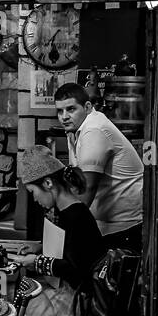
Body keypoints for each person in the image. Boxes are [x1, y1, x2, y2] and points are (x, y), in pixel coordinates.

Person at [6, 147, 106, 316]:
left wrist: (35, 262)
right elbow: (69, 250)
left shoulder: (76, 216)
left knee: (10, 307)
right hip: (72, 295)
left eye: (33, 192)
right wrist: (39, 249)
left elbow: (74, 269)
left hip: (76, 301)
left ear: (48, 183)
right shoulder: (69, 213)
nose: (35, 199)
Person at [54, 82, 143, 252]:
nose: (64, 116)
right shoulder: (76, 129)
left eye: (71, 109)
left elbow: (87, 189)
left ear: (87, 107)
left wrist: (62, 233)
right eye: (60, 111)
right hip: (108, 223)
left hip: (123, 227)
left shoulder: (93, 130)